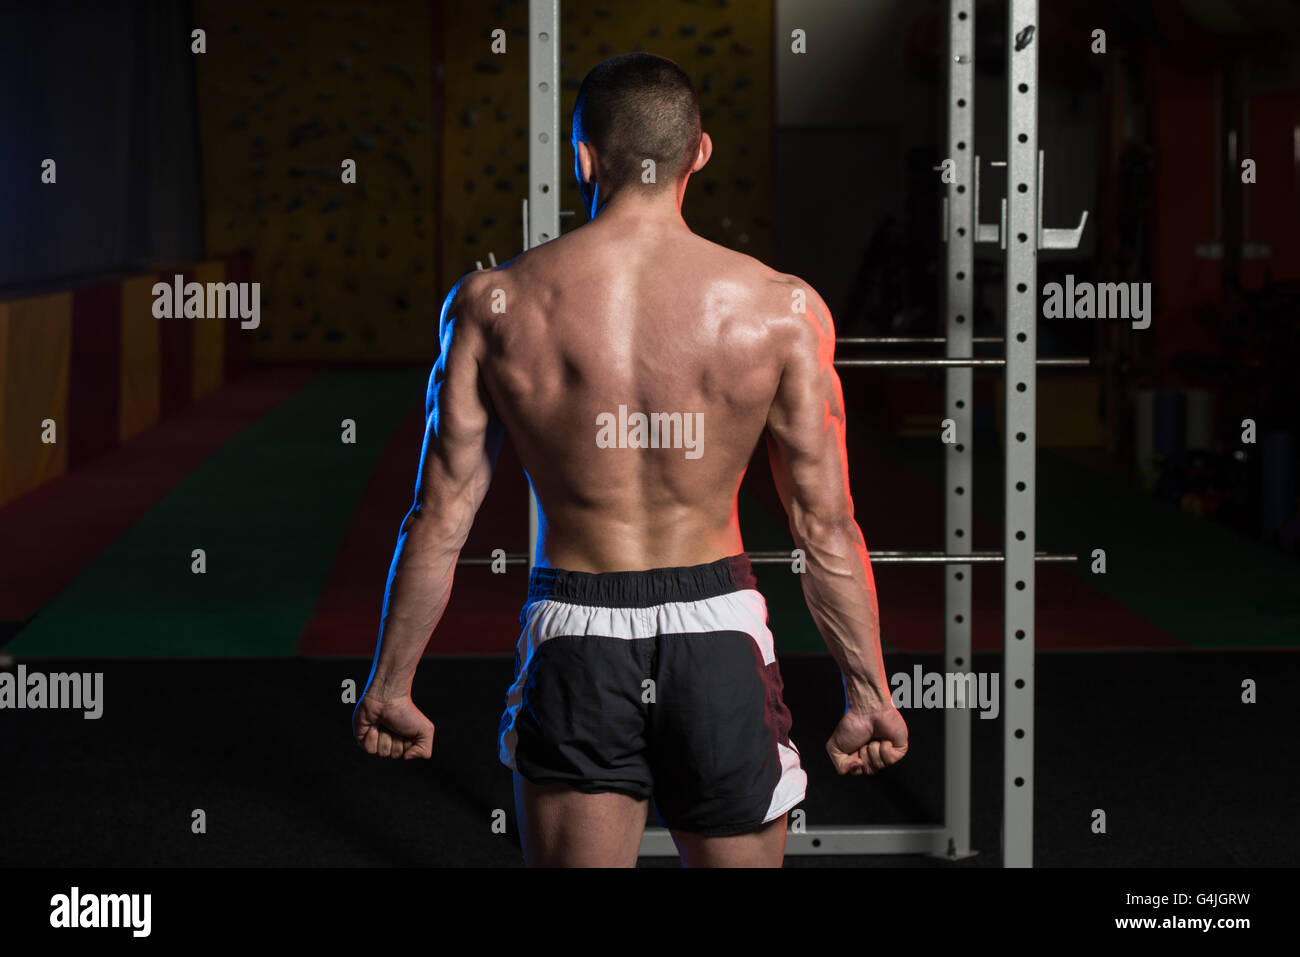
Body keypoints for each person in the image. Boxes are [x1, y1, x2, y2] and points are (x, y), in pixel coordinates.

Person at [353, 52, 908, 867]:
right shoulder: (781, 310)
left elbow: (437, 515)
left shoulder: (493, 305)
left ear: (583, 157)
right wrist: (870, 693)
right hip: (718, 626)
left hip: (575, 633)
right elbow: (825, 524)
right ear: (701, 154)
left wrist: (390, 684)